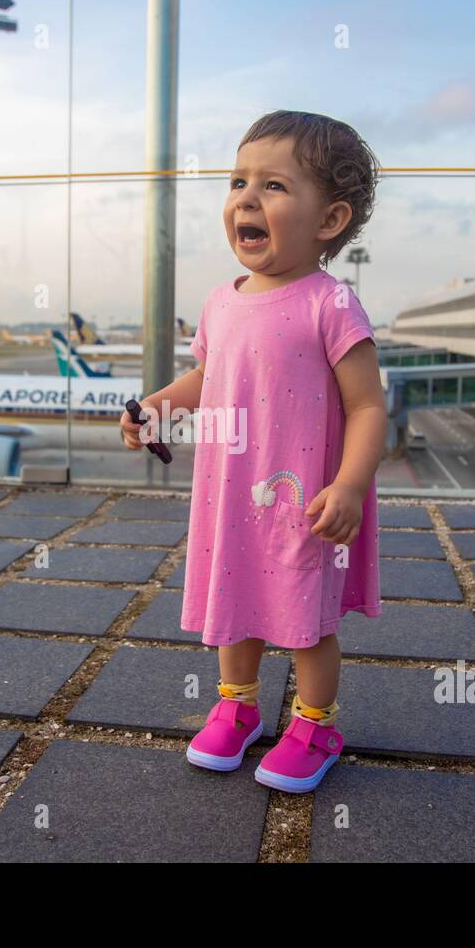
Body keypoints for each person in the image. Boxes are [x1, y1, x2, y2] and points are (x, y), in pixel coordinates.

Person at [119, 110, 385, 794]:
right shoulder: (220, 302)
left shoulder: (331, 303)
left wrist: (350, 486)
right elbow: (205, 380)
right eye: (239, 181)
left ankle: (316, 724)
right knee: (234, 605)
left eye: (272, 185)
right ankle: (236, 705)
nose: (245, 197)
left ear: (328, 221)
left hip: (304, 497)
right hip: (231, 494)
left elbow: (366, 406)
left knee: (304, 621)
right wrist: (156, 409)